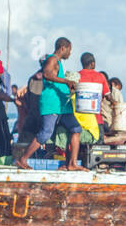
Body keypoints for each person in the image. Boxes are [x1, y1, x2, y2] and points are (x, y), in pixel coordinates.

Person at [16, 37, 83, 171]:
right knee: (46, 133)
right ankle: (23, 159)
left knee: (76, 129)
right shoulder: (52, 59)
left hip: (62, 105)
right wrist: (67, 82)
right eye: (69, 50)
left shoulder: (58, 62)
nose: (70, 53)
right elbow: (46, 74)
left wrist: (68, 88)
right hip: (52, 103)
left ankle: (72, 163)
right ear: (63, 48)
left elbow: (54, 79)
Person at [76, 52, 109, 134]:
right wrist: (115, 103)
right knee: (98, 145)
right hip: (96, 119)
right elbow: (108, 95)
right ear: (92, 63)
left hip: (79, 118)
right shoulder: (100, 76)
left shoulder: (76, 76)